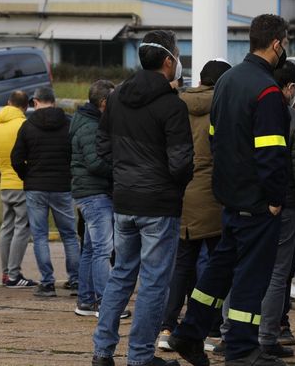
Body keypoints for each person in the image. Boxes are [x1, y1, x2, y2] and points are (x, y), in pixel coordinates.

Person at [168, 15, 291, 366]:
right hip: (258, 202)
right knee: (252, 277)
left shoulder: (227, 81)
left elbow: (214, 139)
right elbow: (271, 152)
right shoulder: (267, 90)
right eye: (285, 44)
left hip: (229, 197)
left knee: (218, 272)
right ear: (277, 44)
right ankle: (241, 349)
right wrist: (275, 199)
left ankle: (190, 332)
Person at [93, 30, 193, 366]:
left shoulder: (116, 98)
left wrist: (124, 173)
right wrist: (172, 184)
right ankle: (139, 356)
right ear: (168, 61)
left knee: (121, 274)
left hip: (124, 200)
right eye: (176, 54)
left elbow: (102, 147)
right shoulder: (172, 106)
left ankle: (102, 352)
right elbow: (181, 163)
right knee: (153, 283)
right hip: (159, 204)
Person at [161, 60, 230, 348]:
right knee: (218, 266)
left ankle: (167, 327)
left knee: (182, 265)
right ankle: (212, 329)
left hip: (182, 190)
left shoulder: (177, 104)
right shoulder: (223, 106)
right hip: (213, 194)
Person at [258, 59, 295, 358]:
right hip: (287, 205)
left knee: (245, 269)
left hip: (252, 203)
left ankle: (233, 331)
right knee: (278, 273)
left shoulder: (253, 112)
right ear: (291, 87)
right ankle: (267, 337)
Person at [12, 87, 80, 298]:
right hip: (62, 186)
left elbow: (16, 158)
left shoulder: (27, 126)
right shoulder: (68, 124)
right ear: (54, 101)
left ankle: (47, 282)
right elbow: (76, 153)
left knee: (40, 236)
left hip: (36, 186)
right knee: (69, 235)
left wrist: (27, 176)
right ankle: (76, 280)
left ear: (35, 102)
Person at [71, 79, 116, 317]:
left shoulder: (86, 120)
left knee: (90, 248)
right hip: (95, 194)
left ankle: (86, 301)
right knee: (102, 249)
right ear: (104, 102)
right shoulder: (91, 126)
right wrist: (119, 168)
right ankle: (105, 303)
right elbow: (95, 163)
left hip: (87, 192)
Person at [0, 90, 35, 288]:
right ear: (26, 106)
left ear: (8, 102)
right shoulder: (24, 125)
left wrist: (5, 170)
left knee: (6, 227)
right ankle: (14, 274)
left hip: (5, 182)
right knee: (22, 228)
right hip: (21, 182)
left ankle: (5, 272)